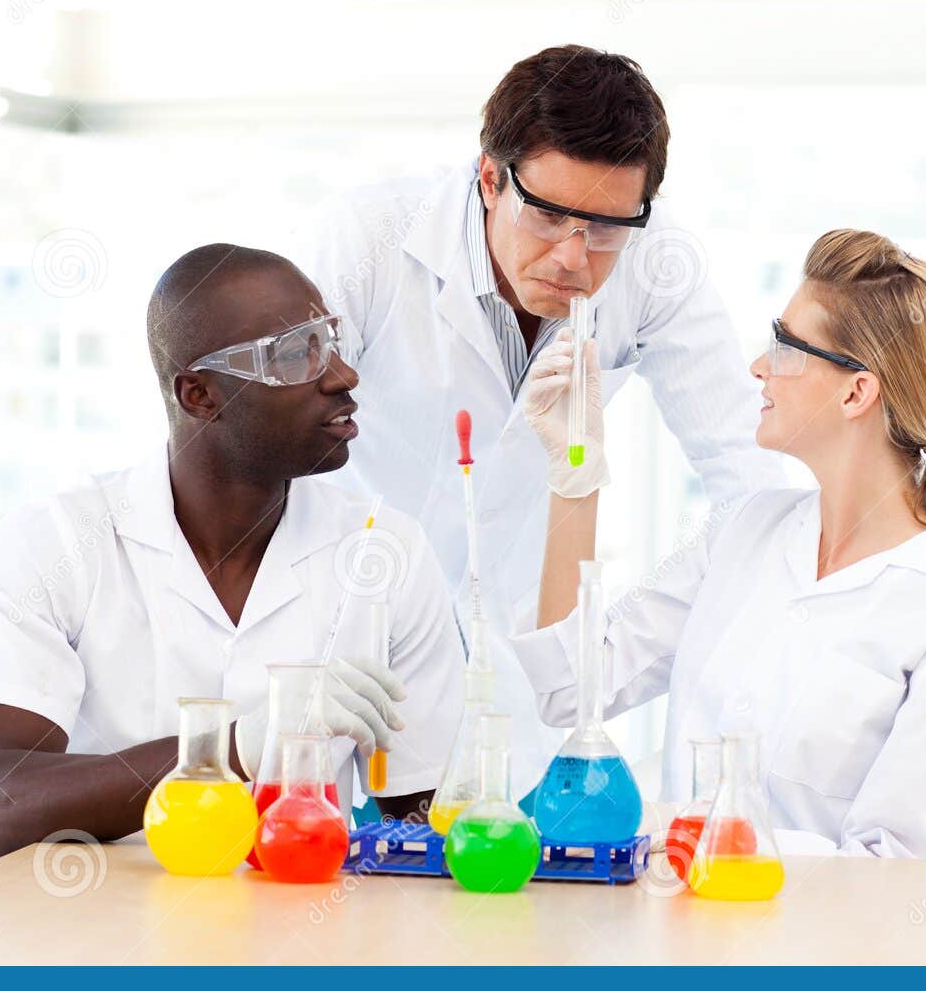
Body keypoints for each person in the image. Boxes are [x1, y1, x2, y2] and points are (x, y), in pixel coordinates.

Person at [300, 45, 782, 795]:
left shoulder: (659, 268)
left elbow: (756, 482)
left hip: (516, 686)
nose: (574, 258)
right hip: (349, 651)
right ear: (490, 178)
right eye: (550, 215)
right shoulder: (364, 241)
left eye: (607, 228)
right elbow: (277, 455)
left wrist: (627, 643)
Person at [0, 245, 463, 872]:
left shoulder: (386, 555)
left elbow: (420, 834)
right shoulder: (51, 544)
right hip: (86, 944)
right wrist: (237, 750)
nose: (342, 375)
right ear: (199, 395)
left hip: (301, 945)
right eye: (296, 353)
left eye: (330, 339)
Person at [513, 230, 926, 858]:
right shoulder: (746, 532)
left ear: (856, 392)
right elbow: (569, 689)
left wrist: (692, 841)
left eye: (786, 346)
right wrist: (575, 475)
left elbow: (895, 873)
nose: (757, 366)